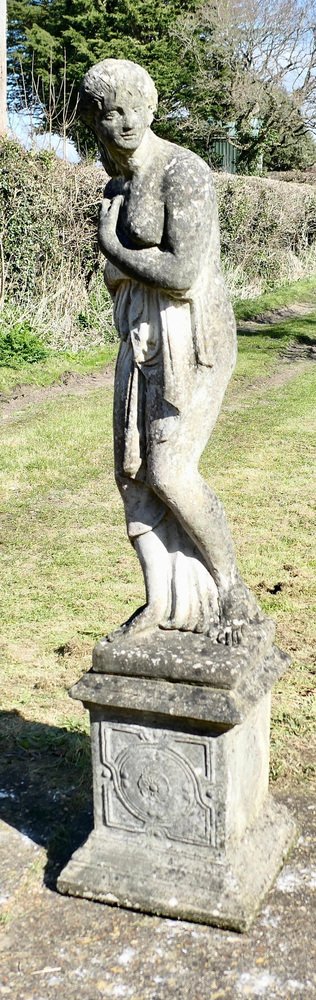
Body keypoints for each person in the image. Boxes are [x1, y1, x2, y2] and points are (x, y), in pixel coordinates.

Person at [78, 58, 261, 643]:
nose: (122, 122)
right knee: (132, 474)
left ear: (150, 108)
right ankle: (161, 600)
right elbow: (122, 275)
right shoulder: (116, 185)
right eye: (107, 113)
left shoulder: (183, 170)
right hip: (140, 336)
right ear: (95, 124)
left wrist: (111, 242)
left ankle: (232, 591)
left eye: (131, 107)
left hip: (193, 338)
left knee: (170, 468)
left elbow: (182, 271)